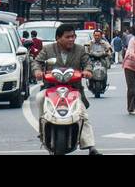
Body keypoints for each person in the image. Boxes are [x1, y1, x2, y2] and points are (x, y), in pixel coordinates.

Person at [32, 23, 101, 155]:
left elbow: (87, 63)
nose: (71, 39)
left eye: (73, 36)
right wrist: (38, 71)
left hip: (74, 90)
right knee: (39, 98)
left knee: (82, 113)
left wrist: (87, 71)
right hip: (50, 88)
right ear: (58, 38)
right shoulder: (47, 49)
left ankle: (90, 146)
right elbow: (37, 62)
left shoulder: (80, 50)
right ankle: (43, 131)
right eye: (67, 37)